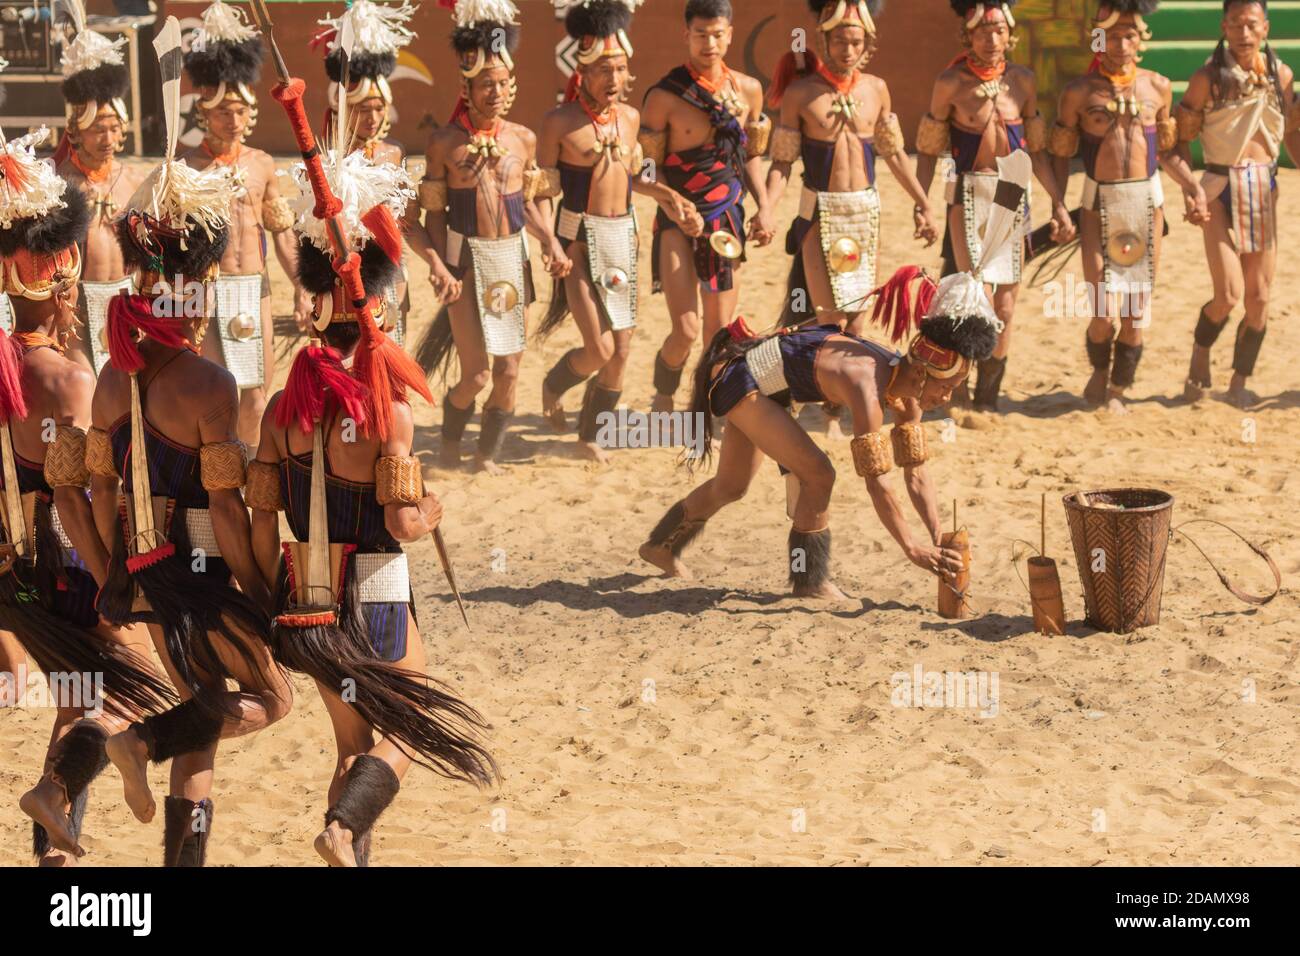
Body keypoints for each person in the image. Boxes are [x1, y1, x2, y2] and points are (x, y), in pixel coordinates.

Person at [249, 116, 496, 867]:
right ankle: (341, 832)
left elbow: (261, 516)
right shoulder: (387, 407)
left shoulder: (279, 409)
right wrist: (430, 509)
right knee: (409, 725)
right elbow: (401, 521)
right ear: (380, 310)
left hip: (304, 592)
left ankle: (347, 843)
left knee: (352, 743)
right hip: (377, 586)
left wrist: (268, 595)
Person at [640, 154, 1032, 598]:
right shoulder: (866, 383)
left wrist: (939, 533)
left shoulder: (909, 397)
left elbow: (915, 473)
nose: (950, 395)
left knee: (731, 486)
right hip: (743, 379)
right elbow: (878, 481)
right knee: (820, 474)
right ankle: (810, 581)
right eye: (949, 384)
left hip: (765, 386)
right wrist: (911, 548)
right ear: (924, 369)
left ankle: (659, 546)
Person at [92, 20, 293, 865]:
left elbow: (87, 487)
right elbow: (223, 502)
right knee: (271, 700)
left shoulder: (111, 376)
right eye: (200, 289)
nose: (205, 304)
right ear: (187, 296)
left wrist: (110, 572)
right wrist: (262, 585)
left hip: (139, 568)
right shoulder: (209, 386)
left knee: (203, 732)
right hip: (200, 573)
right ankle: (139, 743)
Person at [0, 123, 172, 864]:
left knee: (78, 699)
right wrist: (113, 572)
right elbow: (78, 496)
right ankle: (56, 807)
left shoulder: (10, 365)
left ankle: (55, 849)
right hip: (65, 560)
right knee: (130, 695)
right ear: (62, 285)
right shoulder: (65, 379)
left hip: (13, 563)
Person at [534, 0, 703, 464]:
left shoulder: (630, 119)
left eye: (621, 68)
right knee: (599, 346)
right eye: (604, 69)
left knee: (622, 349)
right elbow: (541, 192)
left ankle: (589, 433)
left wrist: (668, 197)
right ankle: (555, 383)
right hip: (577, 243)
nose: (614, 79)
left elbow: (633, 176)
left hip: (623, 241)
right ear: (582, 71)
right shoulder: (559, 123)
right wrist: (549, 242)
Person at [415, 0, 572, 473]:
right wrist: (440, 267)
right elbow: (434, 215)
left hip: (514, 262)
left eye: (504, 83)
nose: (497, 91)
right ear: (467, 86)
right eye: (487, 84)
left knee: (508, 370)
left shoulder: (523, 139)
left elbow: (530, 201)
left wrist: (552, 241)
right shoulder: (445, 143)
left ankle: (485, 455)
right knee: (478, 373)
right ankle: (448, 441)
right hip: (466, 265)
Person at [913, 0, 1074, 411]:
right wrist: (922, 203)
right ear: (968, 35)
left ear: (1010, 34)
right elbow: (930, 149)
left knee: (1005, 303)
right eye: (983, 32)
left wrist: (1058, 204)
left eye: (999, 31)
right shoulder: (950, 83)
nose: (992, 39)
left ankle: (988, 397)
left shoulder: (1022, 82)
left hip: (1013, 193)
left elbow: (1036, 151)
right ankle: (957, 392)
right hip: (968, 193)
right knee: (973, 295)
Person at [1050, 0, 1202, 414]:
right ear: (1101, 39)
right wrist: (1058, 206)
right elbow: (1060, 153)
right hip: (1097, 205)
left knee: (1135, 310)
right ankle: (1100, 370)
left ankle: (1117, 388)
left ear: (1142, 39)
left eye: (1130, 35)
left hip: (1144, 205)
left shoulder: (1158, 86)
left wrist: (1192, 186)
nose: (1122, 44)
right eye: (1114, 36)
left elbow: (1167, 151)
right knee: (1101, 309)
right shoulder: (1079, 93)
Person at [765, 0, 939, 340]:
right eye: (841, 41)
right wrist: (767, 210)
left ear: (868, 44)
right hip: (818, 210)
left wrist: (924, 203)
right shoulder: (800, 93)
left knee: (857, 324)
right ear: (824, 41)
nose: (848, 50)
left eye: (856, 42)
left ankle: (838, 394)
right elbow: (782, 162)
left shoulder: (876, 89)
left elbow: (895, 153)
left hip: (864, 213)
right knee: (829, 322)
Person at [181, 0, 311, 452]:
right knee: (220, 392)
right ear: (204, 114)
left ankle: (249, 471)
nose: (232, 120)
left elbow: (281, 232)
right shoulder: (186, 168)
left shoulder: (261, 164)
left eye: (239, 111)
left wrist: (301, 285)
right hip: (206, 290)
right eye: (223, 113)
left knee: (256, 394)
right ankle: (218, 476)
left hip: (254, 287)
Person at [640, 0, 773, 414]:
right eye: (701, 34)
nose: (710, 42)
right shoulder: (664, 96)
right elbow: (645, 168)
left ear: (730, 34)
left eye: (717, 34)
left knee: (717, 333)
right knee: (685, 328)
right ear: (687, 35)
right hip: (677, 220)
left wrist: (765, 206)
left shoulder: (749, 90)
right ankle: (663, 395)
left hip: (726, 218)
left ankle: (705, 408)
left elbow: (751, 156)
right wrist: (674, 201)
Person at [1176, 0, 1299, 407]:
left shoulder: (1281, 75)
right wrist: (1190, 189)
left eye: (1251, 25)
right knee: (1228, 294)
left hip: (1263, 186)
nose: (1243, 34)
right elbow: (1175, 140)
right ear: (1223, 27)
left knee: (1259, 297)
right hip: (1219, 187)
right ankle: (1200, 350)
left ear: (1265, 27)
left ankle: (1239, 381)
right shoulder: (1206, 79)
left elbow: (1291, 131)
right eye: (1235, 25)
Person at [316, 0, 421, 347]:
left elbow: (407, 221)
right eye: (363, 109)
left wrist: (431, 262)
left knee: (390, 355)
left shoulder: (394, 152)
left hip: (389, 270)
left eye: (379, 108)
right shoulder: (329, 158)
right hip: (342, 273)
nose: (373, 117)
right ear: (346, 110)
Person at [53, 0, 146, 374]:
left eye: (113, 128)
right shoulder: (58, 183)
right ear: (75, 132)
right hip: (78, 302)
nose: (107, 138)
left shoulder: (136, 179)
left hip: (127, 300)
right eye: (97, 129)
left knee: (127, 399)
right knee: (86, 394)